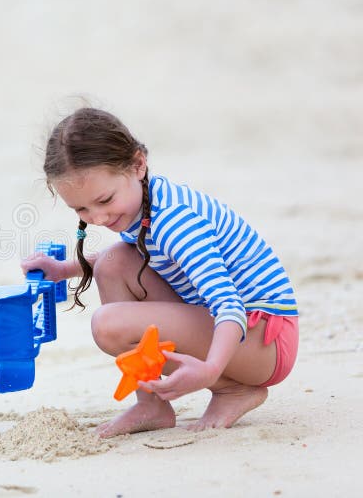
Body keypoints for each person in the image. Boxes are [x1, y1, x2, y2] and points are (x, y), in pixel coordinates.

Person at [21, 107, 298, 437]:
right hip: (235, 330)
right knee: (114, 263)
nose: (96, 218)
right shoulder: (146, 199)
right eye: (81, 209)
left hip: (263, 340)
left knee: (108, 324)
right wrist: (64, 269)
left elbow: (229, 306)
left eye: (104, 200)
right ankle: (151, 403)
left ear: (138, 165)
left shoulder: (176, 223)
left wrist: (210, 370)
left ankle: (232, 389)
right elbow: (137, 253)